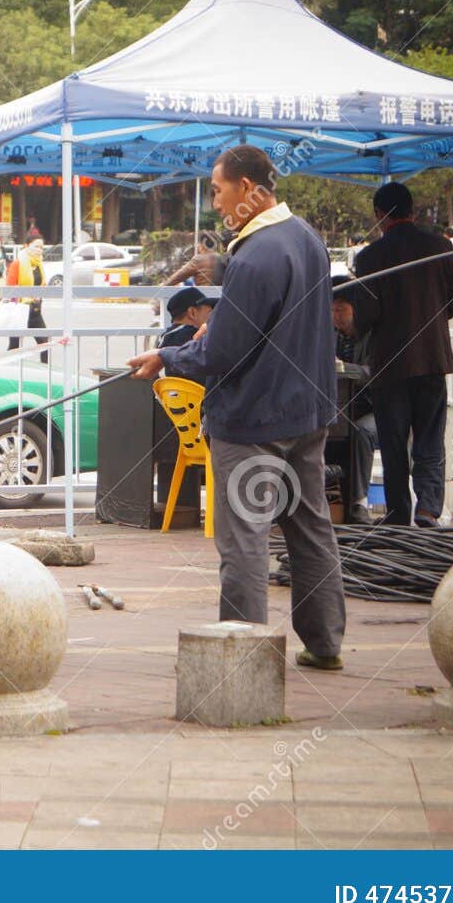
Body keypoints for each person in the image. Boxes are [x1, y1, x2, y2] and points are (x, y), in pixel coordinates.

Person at [126, 145, 346, 671]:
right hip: (307, 414)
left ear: (249, 189)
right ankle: (325, 643)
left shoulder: (255, 256)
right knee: (310, 527)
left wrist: (167, 354)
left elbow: (223, 351)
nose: (217, 202)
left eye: (221, 190)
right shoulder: (306, 239)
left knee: (245, 538)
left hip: (252, 421)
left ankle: (243, 657)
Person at [352, 183, 453, 528]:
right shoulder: (440, 247)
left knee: (394, 441)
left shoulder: (369, 258)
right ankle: (428, 508)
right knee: (430, 437)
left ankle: (398, 513)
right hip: (432, 359)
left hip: (389, 365)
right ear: (413, 211)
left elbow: (367, 315)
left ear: (379, 216)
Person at [331, 282, 377, 526]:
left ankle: (358, 502)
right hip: (342, 407)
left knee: (361, 432)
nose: (336, 316)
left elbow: (376, 373)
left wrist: (343, 368)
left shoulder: (372, 335)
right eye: (333, 311)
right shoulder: (331, 335)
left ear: (355, 309)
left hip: (374, 407)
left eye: (341, 310)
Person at [6, 239, 47, 358]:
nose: (39, 250)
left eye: (41, 247)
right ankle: (8, 371)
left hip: (35, 310)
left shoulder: (39, 264)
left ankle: (46, 374)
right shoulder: (17, 263)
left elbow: (42, 285)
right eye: (36, 246)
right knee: (14, 347)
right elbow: (9, 288)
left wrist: (38, 295)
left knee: (45, 343)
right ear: (27, 246)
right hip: (20, 309)